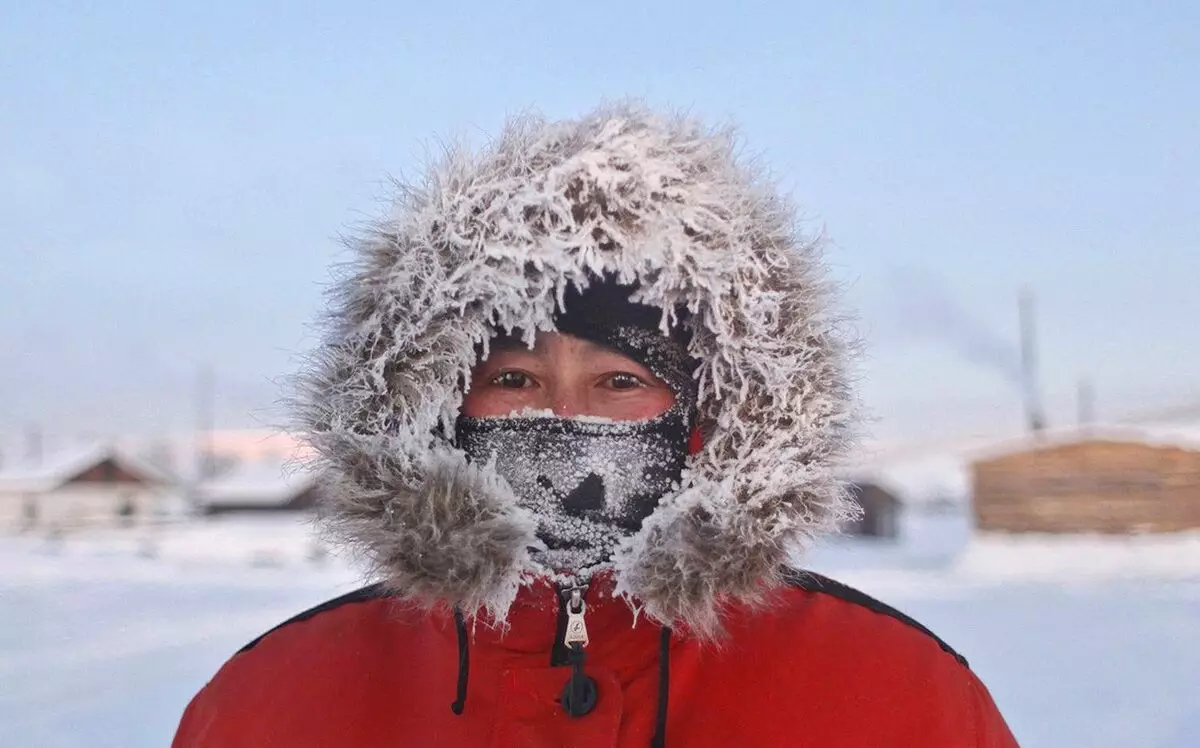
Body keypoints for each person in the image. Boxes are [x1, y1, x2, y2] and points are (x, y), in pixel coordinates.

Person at [173, 103, 1018, 747]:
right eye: (514, 377)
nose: (564, 416)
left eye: (621, 379)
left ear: (708, 414)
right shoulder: (271, 704)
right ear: (434, 411)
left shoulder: (899, 697)